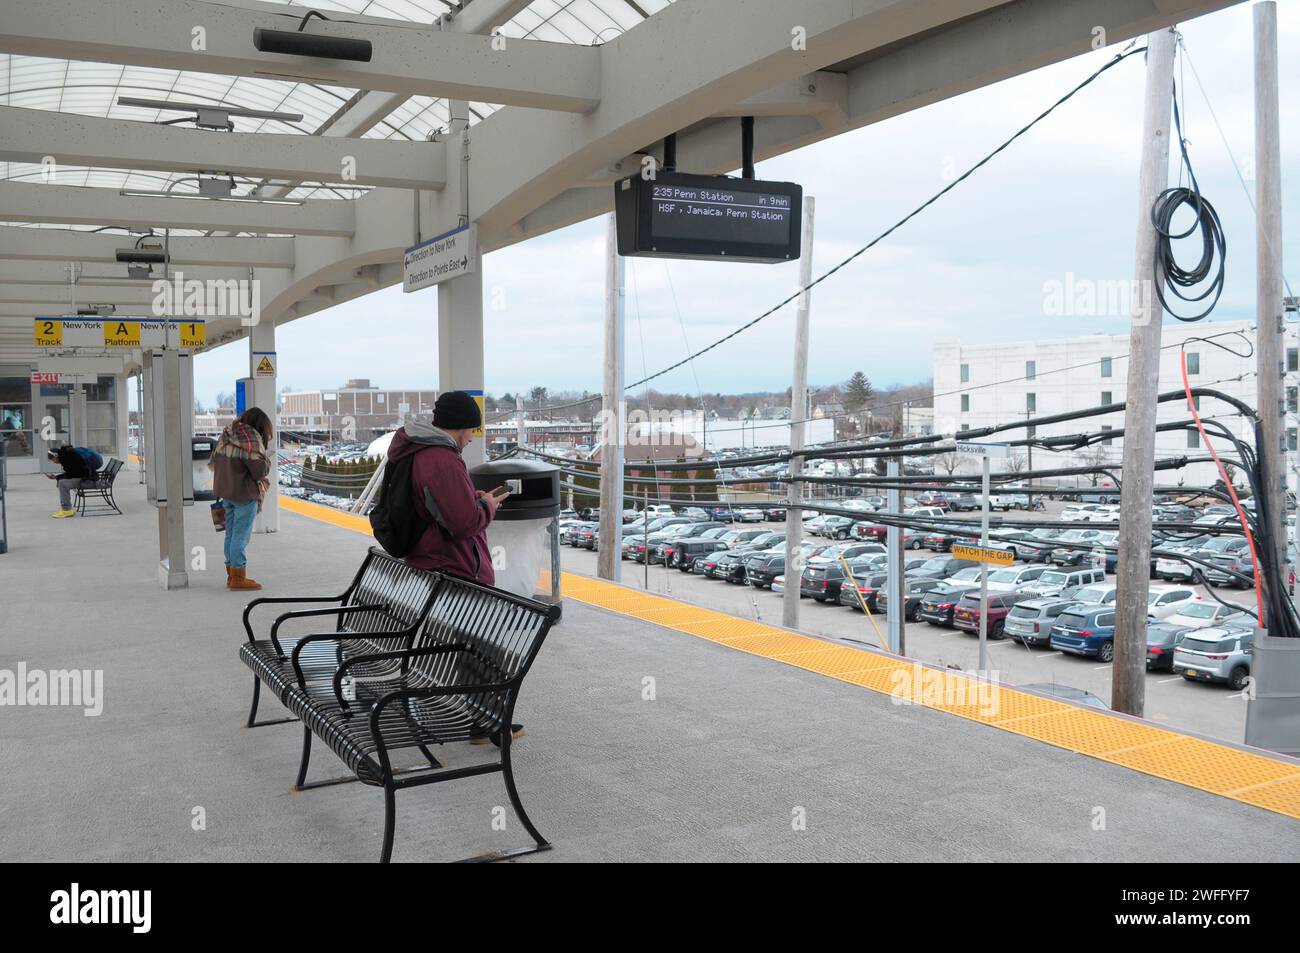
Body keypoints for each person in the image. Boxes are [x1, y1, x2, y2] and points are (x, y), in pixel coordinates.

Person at [386, 390, 517, 745]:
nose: (473, 437)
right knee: (484, 640)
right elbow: (463, 525)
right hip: (453, 564)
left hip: (429, 560)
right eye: (473, 430)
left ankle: (485, 717)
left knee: (475, 641)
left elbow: (437, 505)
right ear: (461, 427)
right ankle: (487, 721)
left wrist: (472, 499)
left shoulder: (417, 449)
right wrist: (487, 507)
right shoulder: (441, 459)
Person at [211, 407, 273, 591]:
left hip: (227, 494)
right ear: (259, 425)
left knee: (230, 534)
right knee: (241, 536)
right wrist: (266, 461)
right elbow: (259, 471)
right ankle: (239, 577)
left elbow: (215, 463)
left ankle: (231, 574)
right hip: (244, 495)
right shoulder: (250, 441)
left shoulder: (227, 436)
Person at [45, 445, 100, 518]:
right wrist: (57, 477)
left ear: (56, 455)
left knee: (63, 483)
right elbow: (73, 472)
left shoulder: (68, 459)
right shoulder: (68, 455)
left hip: (89, 480)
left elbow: (72, 474)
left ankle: (67, 510)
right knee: (62, 481)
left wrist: (58, 477)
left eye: (53, 459)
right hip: (87, 477)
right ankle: (67, 508)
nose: (53, 462)